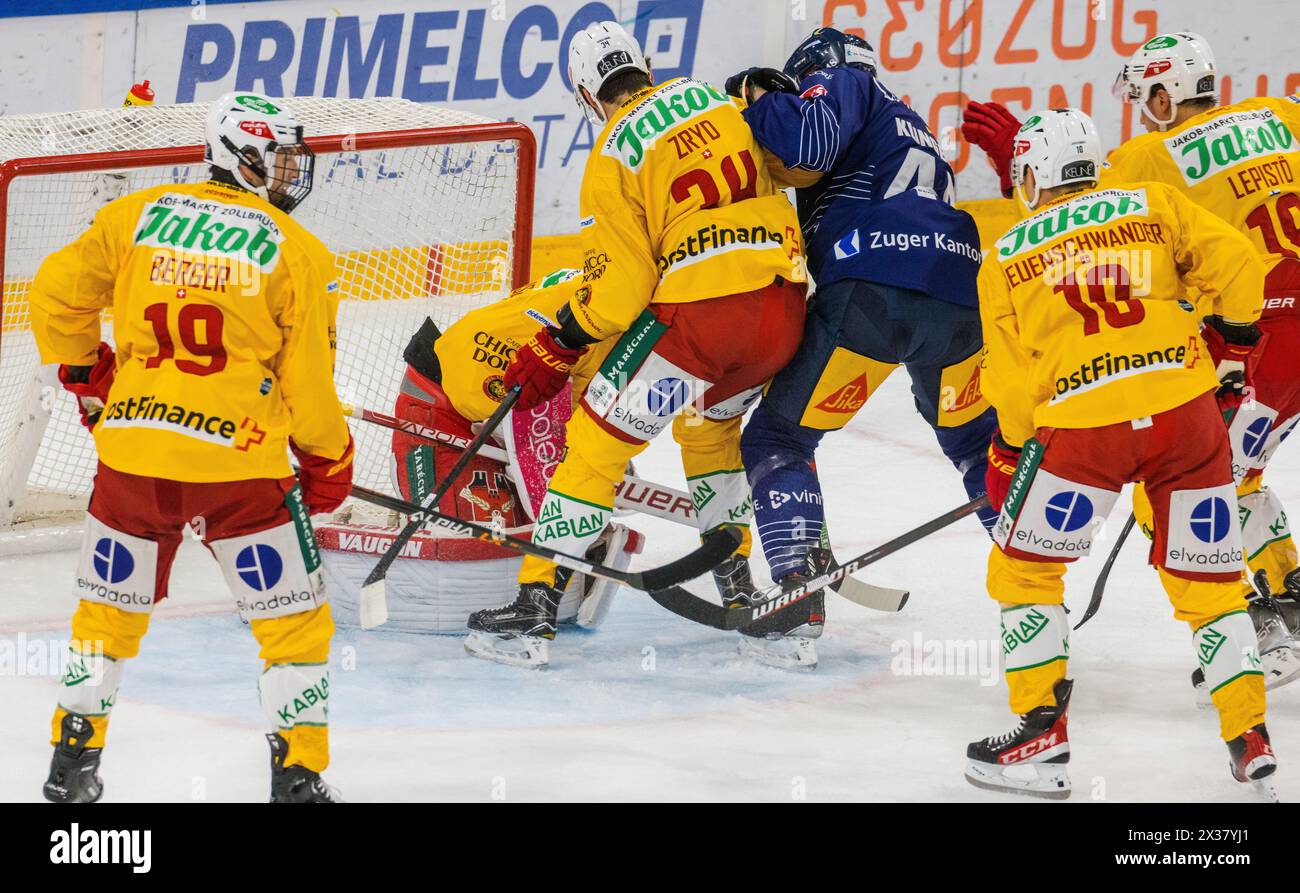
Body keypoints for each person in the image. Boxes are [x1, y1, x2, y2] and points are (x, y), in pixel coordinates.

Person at [31, 92, 354, 803]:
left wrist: (88, 372)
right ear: (244, 158)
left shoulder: (134, 215)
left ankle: (71, 759)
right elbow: (308, 382)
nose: (288, 174)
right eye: (280, 160)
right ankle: (296, 777)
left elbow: (54, 296)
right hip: (239, 473)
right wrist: (329, 459)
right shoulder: (299, 250)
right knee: (293, 622)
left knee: (105, 616)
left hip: (132, 461)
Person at [464, 21, 808, 669]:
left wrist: (562, 337)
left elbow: (622, 292)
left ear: (587, 95)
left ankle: (535, 604)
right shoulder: (716, 99)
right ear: (645, 64)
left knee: (594, 442)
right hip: (783, 305)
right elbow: (792, 163)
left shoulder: (613, 151)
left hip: (702, 318)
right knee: (710, 435)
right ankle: (740, 583)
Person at [963, 31, 1300, 692]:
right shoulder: (1280, 114)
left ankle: (1251, 627)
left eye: (1146, 97)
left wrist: (1012, 162)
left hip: (1266, 333)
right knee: (1237, 472)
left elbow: (1075, 210)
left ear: (1163, 94)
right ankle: (1286, 586)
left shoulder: (1150, 154)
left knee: (1180, 486)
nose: (1142, 111)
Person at [970, 108, 1273, 800]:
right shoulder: (1154, 203)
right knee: (1211, 585)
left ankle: (1040, 732)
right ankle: (1248, 732)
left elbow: (1012, 383)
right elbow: (1239, 266)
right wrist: (1233, 346)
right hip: (1185, 414)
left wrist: (1013, 448)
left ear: (1034, 176)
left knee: (1025, 569)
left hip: (1084, 426)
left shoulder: (1009, 251)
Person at [726, 28, 996, 668]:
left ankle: (794, 595)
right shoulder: (912, 126)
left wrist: (759, 98)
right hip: (957, 297)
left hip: (872, 289)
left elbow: (807, 141)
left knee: (778, 438)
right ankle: (1034, 576)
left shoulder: (846, 81)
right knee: (974, 445)